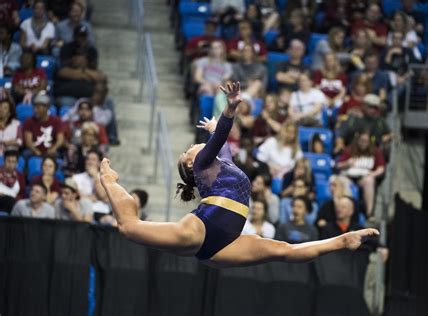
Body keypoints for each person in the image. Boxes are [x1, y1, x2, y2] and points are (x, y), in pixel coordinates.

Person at [99, 81, 379, 268]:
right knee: (129, 228)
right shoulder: (200, 166)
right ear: (190, 164)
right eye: (189, 149)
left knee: (283, 250)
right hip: (201, 229)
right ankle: (108, 181)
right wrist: (229, 109)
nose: (193, 146)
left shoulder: (223, 164)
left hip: (223, 244)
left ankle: (344, 240)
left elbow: (224, 145)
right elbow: (221, 138)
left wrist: (213, 131)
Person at [337, 130, 385, 217]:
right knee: (340, 180)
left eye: (366, 141)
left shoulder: (375, 151)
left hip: (363, 178)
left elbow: (381, 168)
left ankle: (369, 213)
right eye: (362, 141)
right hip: (349, 177)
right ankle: (346, 211)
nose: (364, 143)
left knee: (369, 181)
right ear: (358, 140)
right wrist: (347, 163)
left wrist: (373, 174)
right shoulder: (350, 149)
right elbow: (339, 165)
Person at [23, 91, 65, 157]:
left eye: (38, 108)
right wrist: (35, 150)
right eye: (34, 107)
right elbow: (28, 141)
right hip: (34, 150)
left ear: (46, 108)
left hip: (50, 150)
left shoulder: (56, 121)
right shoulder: (29, 122)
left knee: (58, 155)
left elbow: (60, 139)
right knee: (26, 154)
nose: (35, 110)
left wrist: (53, 148)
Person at [72, 149, 109, 215]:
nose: (90, 162)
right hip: (82, 211)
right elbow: (73, 197)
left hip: (101, 212)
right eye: (88, 159)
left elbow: (104, 197)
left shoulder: (106, 178)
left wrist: (95, 176)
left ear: (99, 163)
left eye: (93, 160)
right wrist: (90, 198)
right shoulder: (76, 178)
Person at [0, 149, 25, 213]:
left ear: (17, 163)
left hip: (13, 203)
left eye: (13, 162)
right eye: (8, 161)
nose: (10, 164)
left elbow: (21, 194)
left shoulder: (20, 176)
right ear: (4, 161)